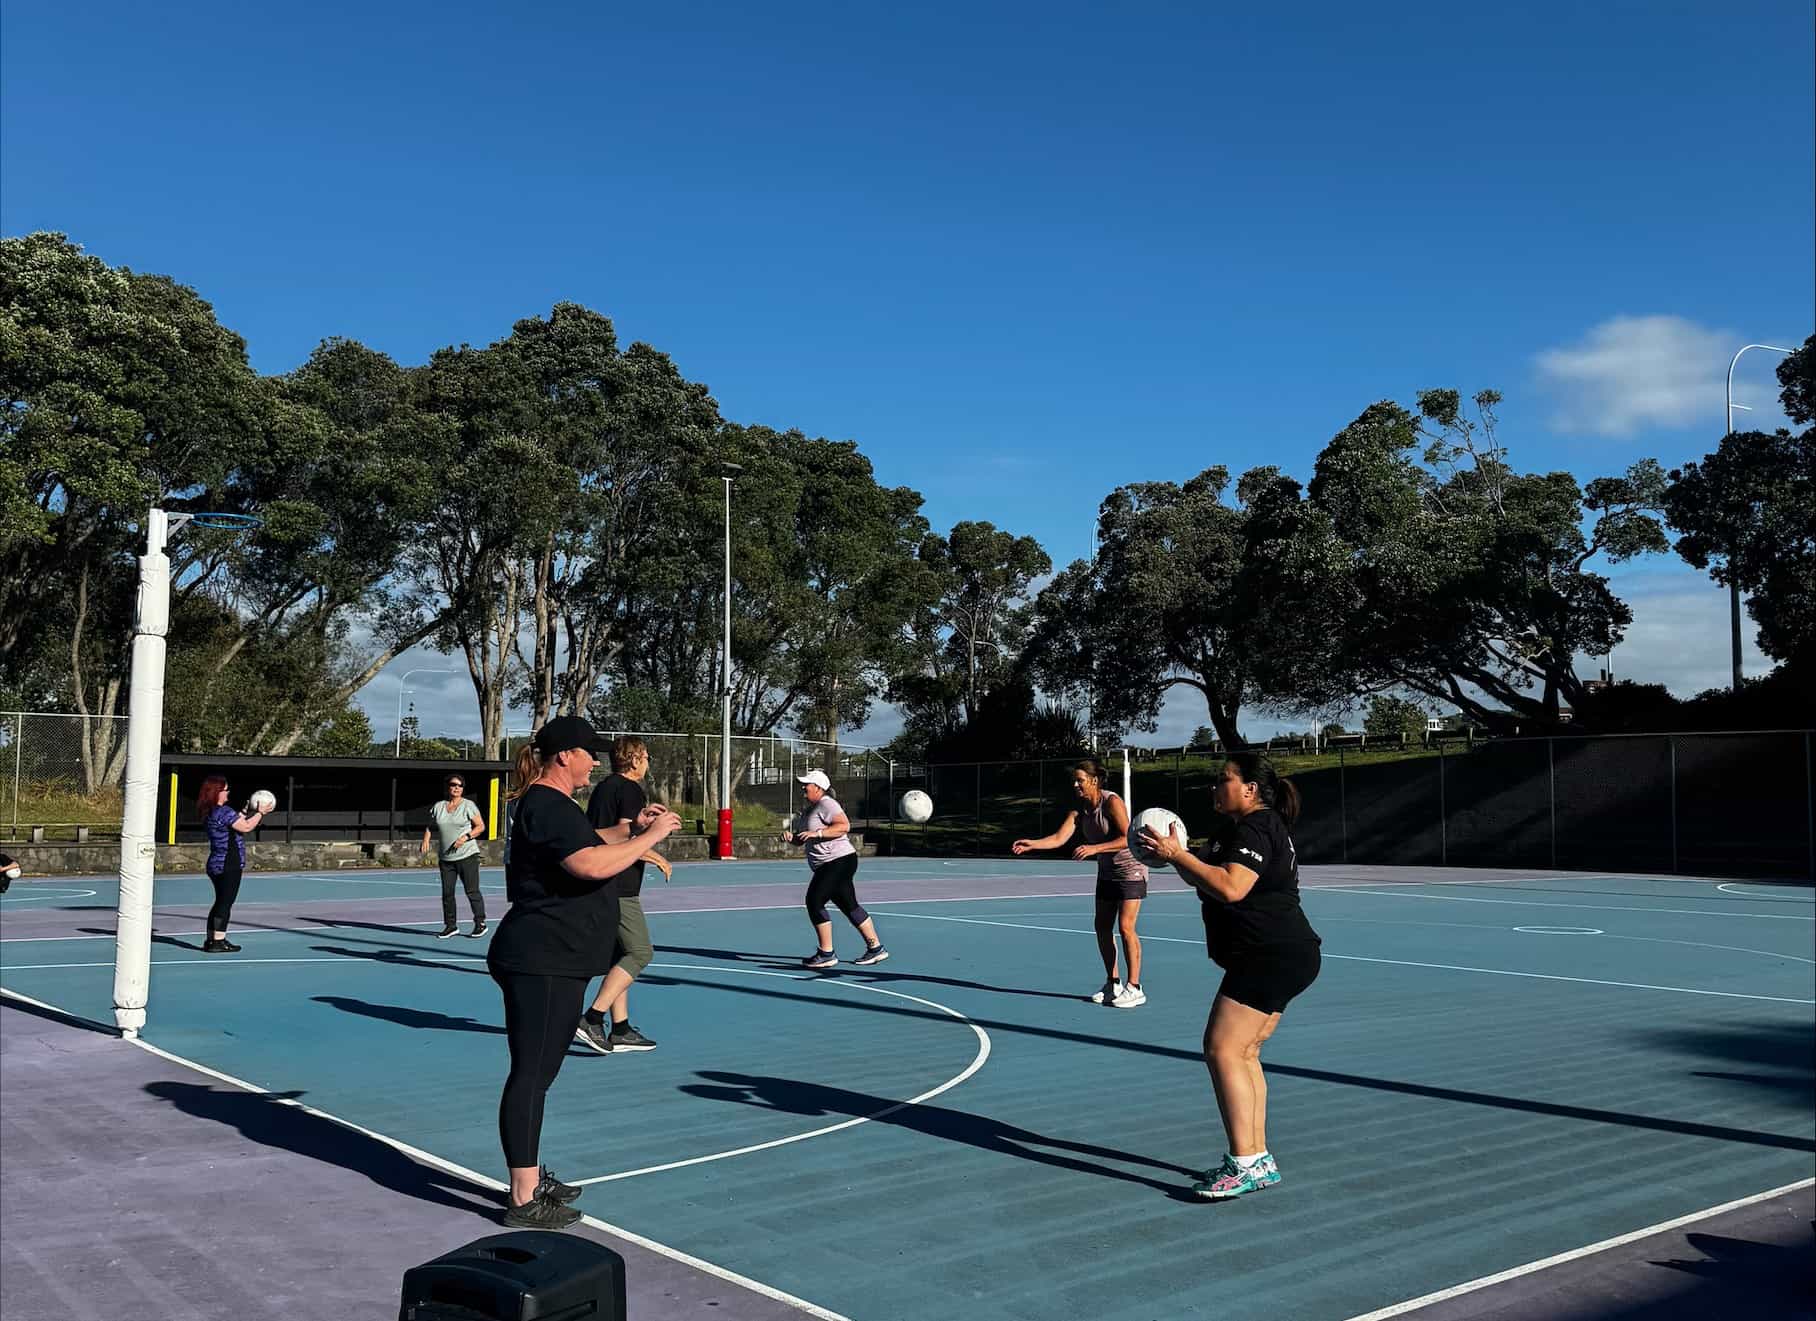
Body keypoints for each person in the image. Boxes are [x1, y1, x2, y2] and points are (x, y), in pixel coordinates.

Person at [487, 715, 680, 1229]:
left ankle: (528, 1177)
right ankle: (523, 1198)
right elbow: (588, 865)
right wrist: (652, 836)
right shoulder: (547, 803)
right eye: (587, 753)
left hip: (555, 957)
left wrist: (630, 829)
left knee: (540, 1074)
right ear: (563, 756)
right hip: (543, 958)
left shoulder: (553, 806)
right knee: (532, 1077)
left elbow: (585, 841)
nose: (594, 761)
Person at [1140, 751, 1321, 1201]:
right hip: (1281, 953)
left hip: (1270, 953)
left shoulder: (1258, 826)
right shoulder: (1233, 832)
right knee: (1244, 1052)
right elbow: (1204, 875)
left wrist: (1178, 853)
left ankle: (1243, 1163)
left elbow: (1231, 887)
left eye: (1224, 779)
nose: (1215, 787)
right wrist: (1173, 855)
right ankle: (1256, 1157)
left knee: (1221, 1048)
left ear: (1250, 789)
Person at [1012, 758, 1149, 1007]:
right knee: (1102, 926)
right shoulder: (1079, 810)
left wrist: (1095, 848)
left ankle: (1135, 987)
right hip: (1107, 871)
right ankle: (1113, 983)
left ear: (1094, 781)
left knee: (1126, 927)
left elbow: (1126, 837)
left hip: (1130, 869)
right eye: (1074, 780)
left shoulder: (1111, 802)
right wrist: (1032, 844)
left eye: (1080, 780)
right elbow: (1058, 837)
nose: (1076, 784)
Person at [574, 737, 672, 1054]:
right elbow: (623, 836)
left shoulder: (604, 788)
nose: (647, 762)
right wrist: (654, 853)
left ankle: (621, 1028)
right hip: (619, 886)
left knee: (620, 955)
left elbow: (601, 835)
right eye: (645, 756)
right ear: (633, 760)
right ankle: (592, 1017)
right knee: (641, 952)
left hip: (602, 882)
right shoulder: (630, 790)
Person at [785, 769, 887, 968]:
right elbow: (806, 838)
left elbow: (844, 826)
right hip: (833, 863)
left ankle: (826, 953)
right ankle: (876, 949)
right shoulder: (809, 810)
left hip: (838, 861)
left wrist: (819, 833)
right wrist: (793, 839)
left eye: (807, 784)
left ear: (819, 788)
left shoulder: (827, 803)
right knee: (849, 905)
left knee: (814, 901)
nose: (803, 787)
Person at [196, 775, 267, 954]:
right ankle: (218, 941)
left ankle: (213, 938)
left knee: (220, 901)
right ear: (217, 792)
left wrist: (244, 811)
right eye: (226, 790)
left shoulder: (210, 811)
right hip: (229, 863)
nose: (228, 793)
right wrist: (260, 813)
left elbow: (236, 822)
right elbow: (245, 827)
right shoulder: (224, 811)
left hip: (216, 862)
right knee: (225, 903)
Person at [422, 774, 488, 939]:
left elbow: (480, 826)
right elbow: (430, 826)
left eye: (460, 785)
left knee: (471, 891)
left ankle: (480, 923)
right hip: (446, 859)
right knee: (447, 893)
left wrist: (465, 837)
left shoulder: (468, 805)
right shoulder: (439, 807)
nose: (456, 788)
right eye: (453, 785)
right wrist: (426, 839)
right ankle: (451, 926)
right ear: (448, 787)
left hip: (467, 856)